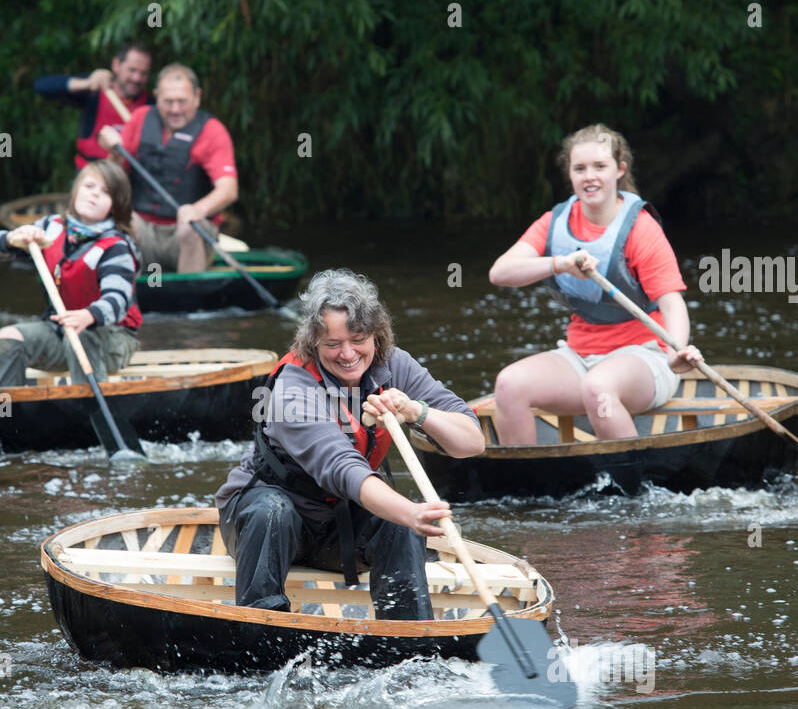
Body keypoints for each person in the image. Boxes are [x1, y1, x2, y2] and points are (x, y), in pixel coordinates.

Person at [214, 270, 485, 620]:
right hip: (266, 522)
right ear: (313, 344)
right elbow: (344, 469)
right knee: (274, 511)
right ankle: (262, 631)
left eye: (357, 339)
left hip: (336, 528)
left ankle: (409, 640)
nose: (347, 354)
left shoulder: (394, 365)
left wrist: (416, 412)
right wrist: (412, 513)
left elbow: (471, 442)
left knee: (398, 524)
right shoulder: (292, 390)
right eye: (332, 344)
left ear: (376, 335)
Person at [489, 123, 704, 445]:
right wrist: (559, 263)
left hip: (647, 358)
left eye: (599, 166)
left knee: (598, 388)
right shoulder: (554, 223)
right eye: (580, 168)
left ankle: (631, 488)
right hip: (581, 357)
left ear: (619, 170)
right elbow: (500, 273)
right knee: (508, 385)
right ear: (570, 175)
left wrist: (677, 350)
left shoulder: (641, 229)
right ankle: (532, 486)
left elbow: (672, 303)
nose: (590, 176)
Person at [0, 160, 142, 388]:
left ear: (115, 205)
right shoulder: (51, 227)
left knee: (80, 336)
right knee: (9, 337)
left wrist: (88, 316)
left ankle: (88, 415)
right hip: (60, 332)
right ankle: (6, 415)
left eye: (105, 192)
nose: (94, 195)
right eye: (89, 186)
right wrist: (12, 238)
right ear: (76, 190)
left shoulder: (117, 247)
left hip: (112, 338)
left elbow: (118, 300)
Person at [98, 63, 237, 274]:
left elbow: (228, 190)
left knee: (189, 227)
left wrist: (196, 210)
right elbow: (111, 176)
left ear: (197, 97)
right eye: (168, 102)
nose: (175, 110)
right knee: (122, 218)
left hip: (185, 233)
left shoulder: (212, 131)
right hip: (143, 229)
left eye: (182, 102)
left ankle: (189, 296)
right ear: (156, 96)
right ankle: (126, 289)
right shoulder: (140, 119)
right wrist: (114, 150)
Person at [34, 41, 153, 168]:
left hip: (128, 179)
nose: (137, 78)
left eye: (143, 73)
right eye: (132, 70)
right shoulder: (94, 91)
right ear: (116, 65)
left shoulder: (151, 104)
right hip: (90, 173)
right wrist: (87, 83)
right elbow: (41, 86)